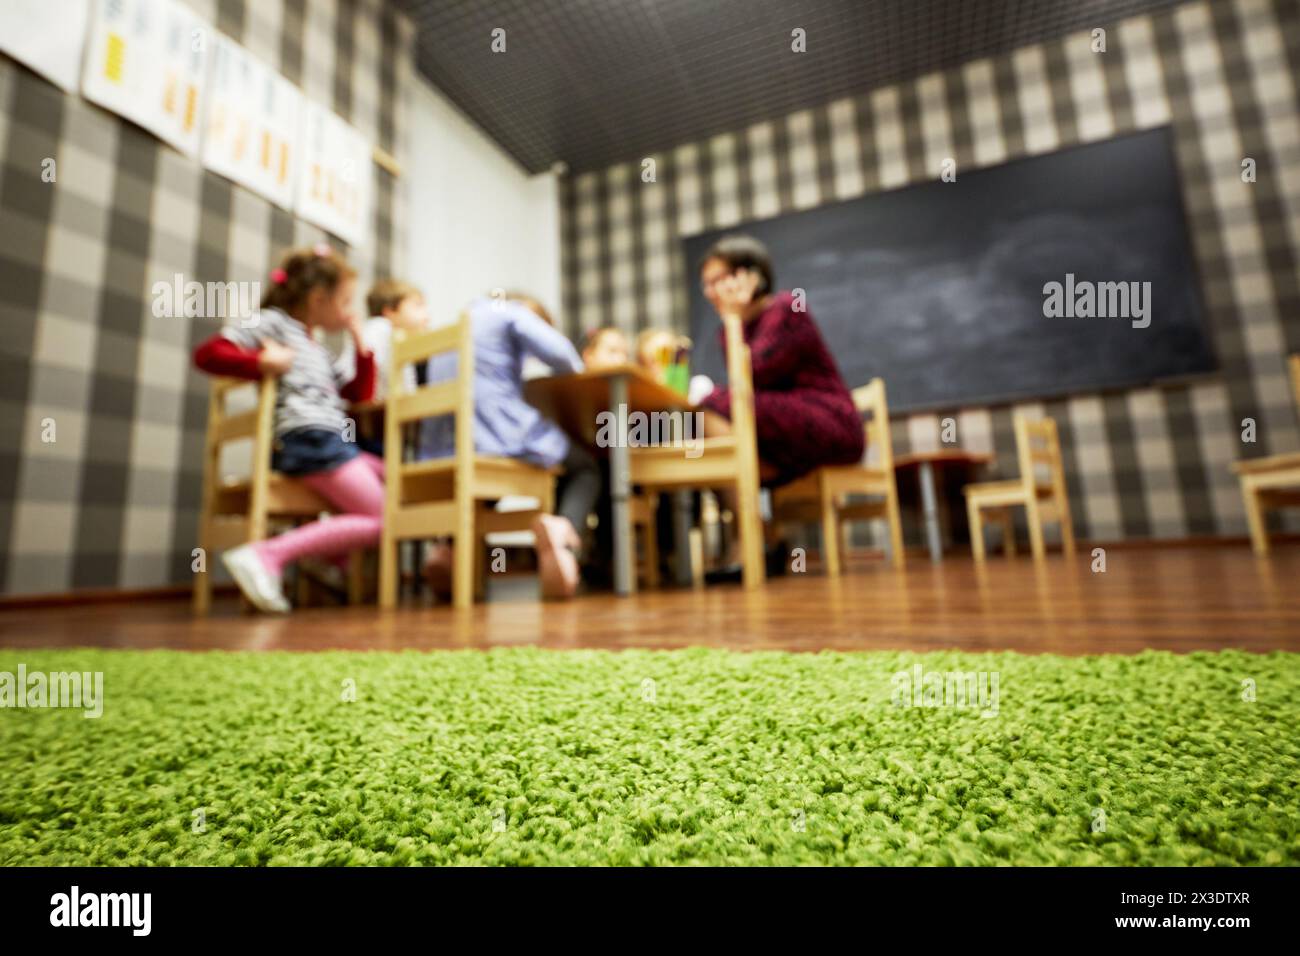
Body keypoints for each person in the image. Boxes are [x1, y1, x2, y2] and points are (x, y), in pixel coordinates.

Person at [192, 244, 381, 613]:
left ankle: (327, 559)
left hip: (330, 442)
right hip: (308, 439)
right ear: (317, 299)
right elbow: (209, 353)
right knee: (386, 519)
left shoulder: (318, 349)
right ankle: (269, 555)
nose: (348, 311)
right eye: (344, 302)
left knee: (392, 478)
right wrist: (260, 360)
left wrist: (361, 344)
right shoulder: (273, 322)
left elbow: (359, 393)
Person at [419, 293, 601, 599]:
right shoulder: (509, 312)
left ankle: (448, 549)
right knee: (584, 467)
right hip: (492, 434)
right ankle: (562, 535)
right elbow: (565, 357)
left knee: (487, 481)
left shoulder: (456, 322)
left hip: (441, 449)